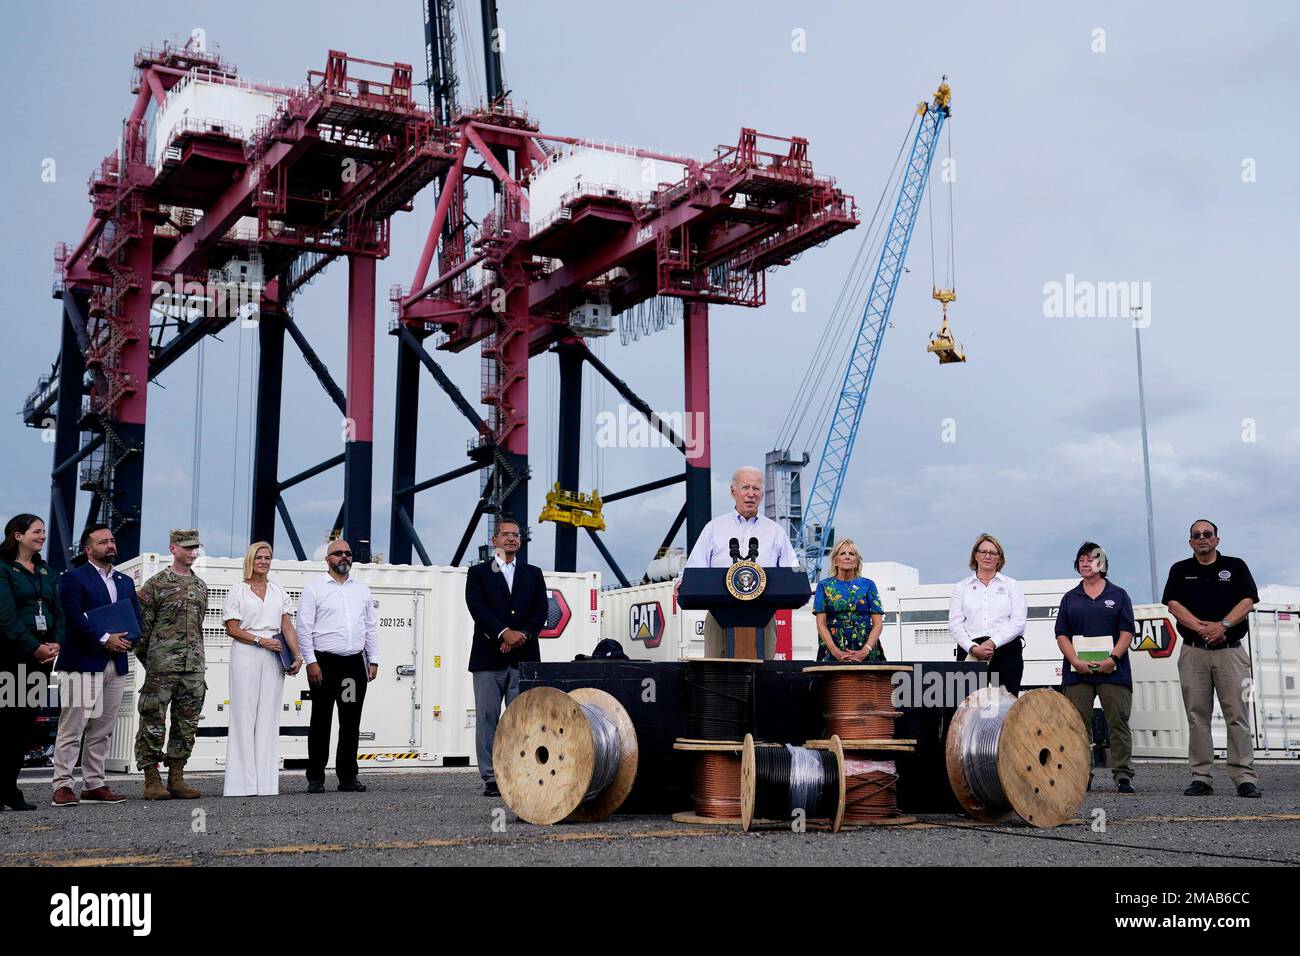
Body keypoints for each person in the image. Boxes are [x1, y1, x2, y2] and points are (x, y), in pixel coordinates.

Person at [1162, 519, 1261, 798]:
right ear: (1190, 542)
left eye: (1207, 534)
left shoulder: (1236, 566)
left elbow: (1248, 601)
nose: (1202, 538)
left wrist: (1223, 626)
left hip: (1231, 652)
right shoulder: (1180, 570)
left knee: (1238, 716)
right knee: (1197, 716)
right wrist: (1203, 628)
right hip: (1194, 652)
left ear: (1217, 539)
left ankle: (1244, 777)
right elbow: (1173, 605)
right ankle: (1201, 777)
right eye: (1196, 535)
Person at [52, 524, 138, 807]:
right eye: (103, 542)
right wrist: (105, 639)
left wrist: (130, 641)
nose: (110, 545)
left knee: (103, 728)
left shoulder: (125, 581)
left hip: (117, 662)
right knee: (73, 727)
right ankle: (62, 785)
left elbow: (134, 617)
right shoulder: (73, 579)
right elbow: (73, 617)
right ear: (88, 549)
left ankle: (94, 784)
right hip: (82, 661)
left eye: (112, 540)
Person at [677, 466, 801, 658]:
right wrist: (682, 582)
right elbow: (694, 569)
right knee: (716, 675)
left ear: (762, 494)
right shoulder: (714, 528)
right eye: (745, 488)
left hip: (764, 617)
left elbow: (791, 575)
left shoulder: (776, 532)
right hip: (719, 616)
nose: (751, 494)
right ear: (732, 491)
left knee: (763, 677)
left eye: (756, 488)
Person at [465, 516, 549, 797]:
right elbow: (477, 608)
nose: (512, 538)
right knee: (488, 718)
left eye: (516, 534)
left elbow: (540, 611)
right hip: (488, 658)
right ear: (494, 541)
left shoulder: (533, 573)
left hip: (522, 659)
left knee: (521, 719)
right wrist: (503, 633)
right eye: (506, 534)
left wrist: (519, 636)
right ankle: (491, 777)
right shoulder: (478, 573)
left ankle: (518, 771)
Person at [221, 542, 302, 796]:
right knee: (244, 717)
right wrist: (259, 641)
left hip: (274, 654)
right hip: (247, 651)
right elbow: (231, 628)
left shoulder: (278, 591)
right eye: (259, 557)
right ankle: (240, 784)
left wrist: (298, 655)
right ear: (250, 560)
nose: (264, 561)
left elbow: (287, 625)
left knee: (269, 717)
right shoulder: (238, 590)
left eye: (268, 557)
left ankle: (266, 783)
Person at [1055, 542, 1136, 793]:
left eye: (1092, 559)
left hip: (1114, 670)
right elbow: (1061, 634)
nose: (1086, 563)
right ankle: (1081, 774)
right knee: (1077, 724)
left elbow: (1127, 631)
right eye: (1081, 559)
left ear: (1103, 564)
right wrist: (1075, 661)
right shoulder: (1070, 598)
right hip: (1077, 673)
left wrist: (1113, 658)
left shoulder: (1119, 595)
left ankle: (1123, 775)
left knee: (1118, 723)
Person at [298, 538, 377, 794]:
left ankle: (347, 777)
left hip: (353, 666)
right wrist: (311, 662)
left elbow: (370, 627)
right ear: (328, 559)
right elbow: (304, 629)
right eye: (338, 553)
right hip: (324, 664)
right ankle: (316, 777)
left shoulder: (362, 590)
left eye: (348, 553)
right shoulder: (314, 590)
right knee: (321, 720)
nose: (344, 557)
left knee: (350, 721)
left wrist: (373, 659)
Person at [134, 529, 209, 800]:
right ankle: (151, 779)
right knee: (153, 720)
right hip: (161, 667)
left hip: (194, 667)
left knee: (186, 723)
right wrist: (153, 662)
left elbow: (198, 627)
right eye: (186, 547)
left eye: (195, 547)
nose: (191, 552)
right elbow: (141, 632)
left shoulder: (201, 586)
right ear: (172, 549)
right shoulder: (155, 585)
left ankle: (176, 777)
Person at [0, 515, 63, 810]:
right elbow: (5, 617)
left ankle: (9, 790)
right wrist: (34, 647)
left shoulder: (45, 570)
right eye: (37, 532)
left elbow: (58, 611)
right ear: (17, 535)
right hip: (11, 656)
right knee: (6, 722)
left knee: (24, 724)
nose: (42, 537)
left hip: (41, 658)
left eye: (44, 532)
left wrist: (55, 643)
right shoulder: (2, 569)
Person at [948, 533, 1028, 695]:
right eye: (983, 551)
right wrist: (972, 648)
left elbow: (1018, 622)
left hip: (1006, 650)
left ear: (999, 558)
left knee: (1007, 705)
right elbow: (955, 625)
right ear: (975, 555)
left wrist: (992, 643)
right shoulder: (961, 587)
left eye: (993, 553)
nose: (987, 556)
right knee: (970, 706)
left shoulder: (1012, 586)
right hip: (971, 651)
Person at [814, 538, 885, 662]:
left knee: (870, 681)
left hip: (865, 647)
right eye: (842, 553)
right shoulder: (824, 586)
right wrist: (835, 652)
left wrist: (865, 651)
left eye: (851, 554)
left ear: (857, 561)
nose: (847, 557)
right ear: (835, 561)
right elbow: (821, 624)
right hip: (832, 648)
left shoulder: (868, 585)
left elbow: (878, 624)